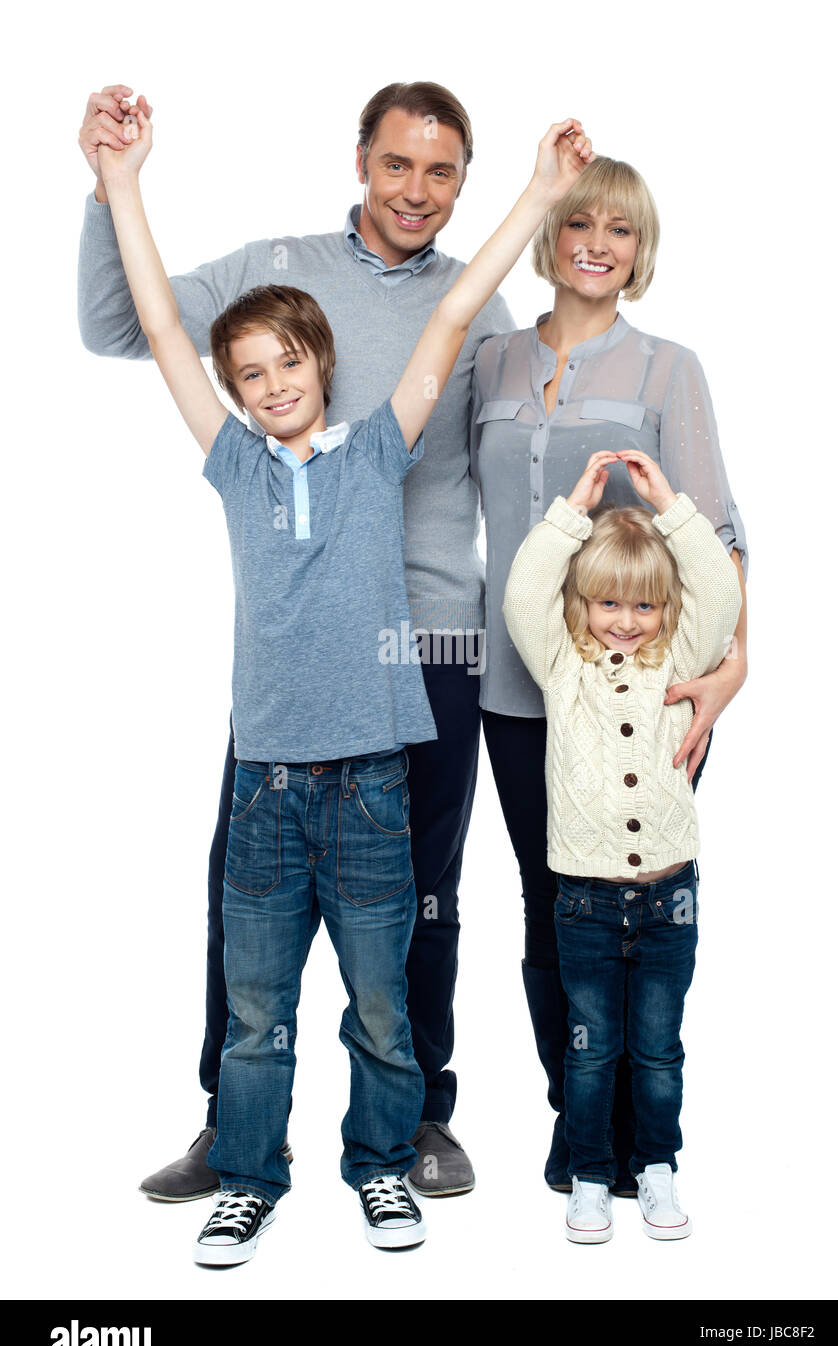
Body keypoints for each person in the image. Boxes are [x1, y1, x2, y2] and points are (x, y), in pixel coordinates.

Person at [95, 99, 596, 1262]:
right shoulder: (233, 468)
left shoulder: (377, 450)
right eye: (250, 372)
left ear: (324, 364)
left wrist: (533, 191)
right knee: (255, 983)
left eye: (290, 364)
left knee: (388, 976)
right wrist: (122, 183)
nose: (272, 385)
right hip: (270, 772)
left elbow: (458, 310)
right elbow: (164, 333)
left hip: (380, 749)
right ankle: (244, 1157)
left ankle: (391, 1149)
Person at [469, 155, 748, 1193]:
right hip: (514, 690)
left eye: (620, 228)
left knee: (640, 906)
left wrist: (735, 664)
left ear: (640, 249)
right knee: (551, 911)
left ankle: (645, 1130)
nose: (597, 241)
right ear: (550, 233)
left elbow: (715, 532)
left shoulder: (670, 367)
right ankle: (579, 1118)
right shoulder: (490, 361)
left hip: (648, 691)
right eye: (579, 219)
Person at [503, 448, 742, 1240]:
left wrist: (670, 504)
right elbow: (524, 592)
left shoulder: (681, 661)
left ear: (664, 611)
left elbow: (717, 587)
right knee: (591, 1047)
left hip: (670, 897)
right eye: (607, 602)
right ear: (583, 603)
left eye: (642, 606)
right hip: (584, 901)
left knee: (657, 1049)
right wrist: (571, 511)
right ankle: (590, 1174)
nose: (624, 620)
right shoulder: (561, 667)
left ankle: (657, 1166)